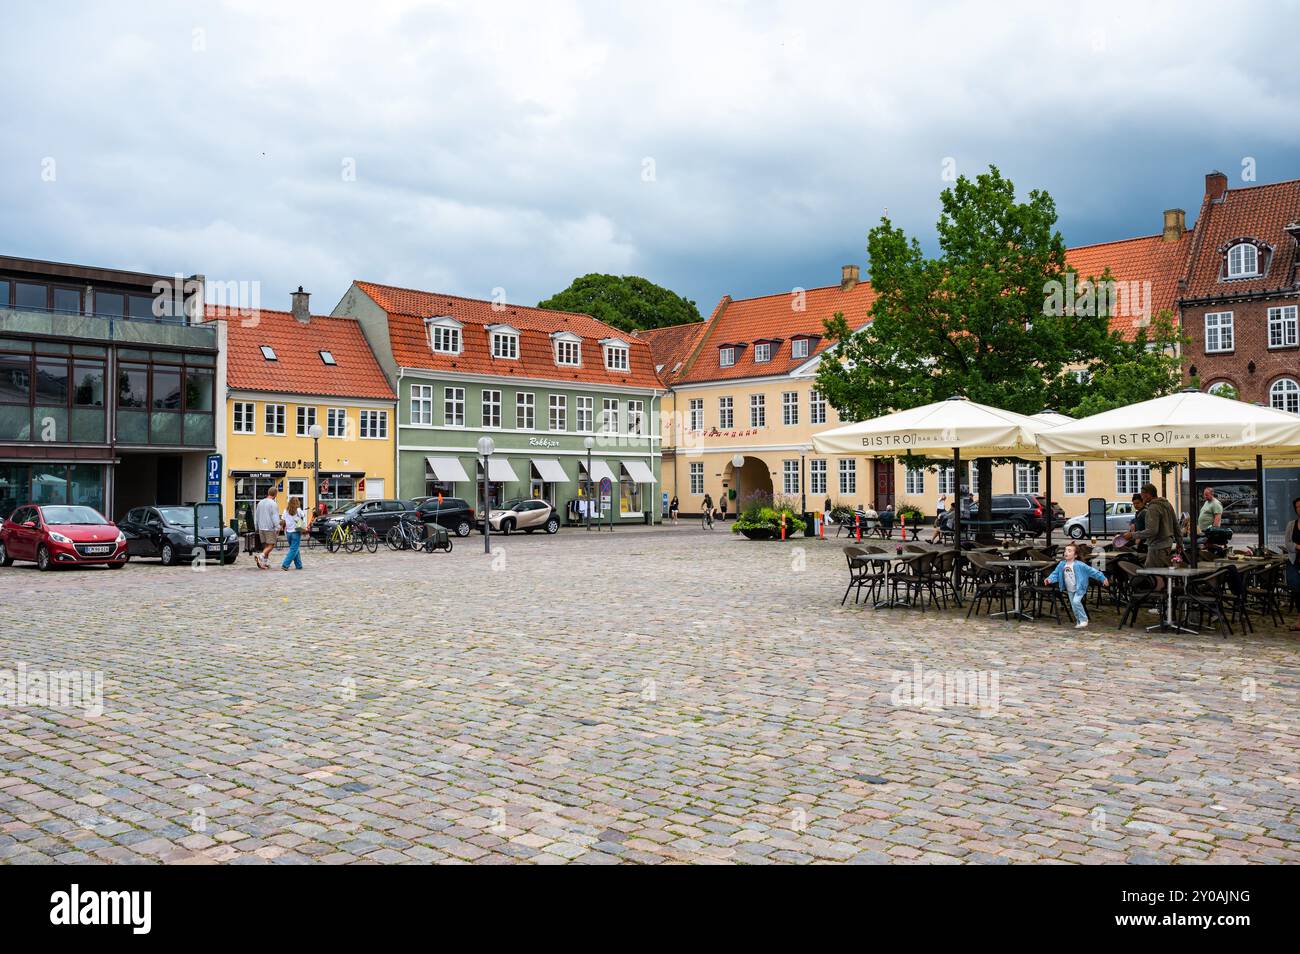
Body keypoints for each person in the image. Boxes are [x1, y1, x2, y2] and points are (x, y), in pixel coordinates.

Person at [1044, 542, 1109, 629]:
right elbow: (1055, 574)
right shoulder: (1062, 564)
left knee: (1076, 602)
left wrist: (1102, 578)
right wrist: (1049, 579)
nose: (1066, 553)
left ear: (1075, 555)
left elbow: (1092, 571)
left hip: (1080, 588)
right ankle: (1079, 621)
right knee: (1074, 607)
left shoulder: (1080, 565)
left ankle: (1084, 620)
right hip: (1070, 588)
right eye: (1065, 551)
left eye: (1069, 551)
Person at [1133, 482, 1178, 596]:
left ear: (1148, 495)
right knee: (1161, 573)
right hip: (1167, 544)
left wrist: (1132, 535)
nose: (1141, 497)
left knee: (1154, 574)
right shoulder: (1167, 504)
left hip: (1157, 546)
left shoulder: (1153, 508)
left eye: (1142, 495)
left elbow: (1152, 531)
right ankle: (1164, 601)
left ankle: (1159, 602)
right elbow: (1175, 524)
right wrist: (1180, 542)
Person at [253, 485, 280, 569]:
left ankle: (265, 563)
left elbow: (256, 515)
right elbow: (275, 517)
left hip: (261, 527)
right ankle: (261, 556)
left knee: (266, 546)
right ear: (275, 494)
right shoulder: (273, 504)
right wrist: (278, 527)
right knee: (271, 545)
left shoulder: (260, 503)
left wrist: (256, 526)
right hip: (269, 528)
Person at [280, 496, 307, 570]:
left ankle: (299, 565)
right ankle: (285, 564)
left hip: (288, 532)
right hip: (296, 532)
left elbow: (282, 520)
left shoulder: (285, 510)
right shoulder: (298, 510)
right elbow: (303, 515)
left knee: (294, 548)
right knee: (294, 549)